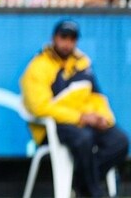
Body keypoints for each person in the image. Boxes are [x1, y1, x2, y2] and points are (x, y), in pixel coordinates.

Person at [20, 20, 128, 198]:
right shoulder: (38, 67)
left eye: (72, 38)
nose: (67, 43)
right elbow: (40, 107)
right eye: (63, 37)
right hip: (54, 126)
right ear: (54, 38)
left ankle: (80, 183)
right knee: (84, 138)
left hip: (84, 122)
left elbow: (96, 96)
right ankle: (94, 192)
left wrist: (103, 118)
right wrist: (81, 118)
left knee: (120, 141)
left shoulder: (83, 63)